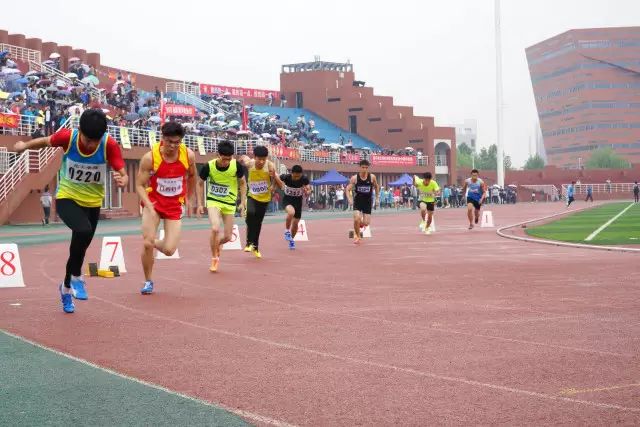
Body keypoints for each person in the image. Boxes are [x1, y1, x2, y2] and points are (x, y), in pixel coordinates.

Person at [13, 109, 127, 313]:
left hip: (92, 203)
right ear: (80, 130)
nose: (91, 144)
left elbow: (121, 169)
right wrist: (24, 146)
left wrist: (123, 179)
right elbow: (44, 141)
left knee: (79, 249)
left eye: (95, 140)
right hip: (67, 198)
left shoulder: (108, 144)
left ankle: (66, 289)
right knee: (82, 232)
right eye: (88, 139)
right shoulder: (68, 137)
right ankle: (77, 277)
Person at [136, 122, 196, 293]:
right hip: (153, 203)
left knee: (169, 250)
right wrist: (148, 204)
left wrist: (189, 199)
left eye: (177, 142)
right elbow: (139, 185)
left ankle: (151, 242)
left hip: (174, 205)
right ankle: (148, 280)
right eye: (169, 141)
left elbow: (192, 176)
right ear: (162, 138)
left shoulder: (188, 155)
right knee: (147, 244)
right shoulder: (150, 158)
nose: (173, 146)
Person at [196, 141, 246, 272]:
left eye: (229, 159)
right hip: (214, 201)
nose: (226, 162)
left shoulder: (236, 166)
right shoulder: (209, 166)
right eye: (224, 159)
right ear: (218, 155)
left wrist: (243, 202)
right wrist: (200, 204)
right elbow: (199, 183)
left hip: (229, 204)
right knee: (215, 228)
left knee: (228, 237)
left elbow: (242, 183)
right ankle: (214, 258)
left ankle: (216, 244)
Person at [240, 145, 277, 258]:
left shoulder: (270, 166)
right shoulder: (249, 164)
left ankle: (255, 246)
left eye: (263, 159)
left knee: (258, 222)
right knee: (250, 215)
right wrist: (240, 159)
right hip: (252, 196)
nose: (261, 161)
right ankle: (248, 242)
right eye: (259, 159)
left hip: (264, 198)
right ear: (254, 157)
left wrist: (273, 186)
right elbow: (242, 159)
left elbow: (275, 179)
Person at [276, 165, 310, 250]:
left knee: (295, 224)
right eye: (295, 176)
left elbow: (309, 189)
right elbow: (276, 178)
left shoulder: (304, 179)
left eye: (298, 176)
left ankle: (291, 240)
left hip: (298, 203)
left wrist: (307, 191)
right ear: (291, 173)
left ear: (301, 174)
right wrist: (273, 187)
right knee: (291, 213)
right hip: (287, 200)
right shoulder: (286, 177)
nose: (296, 178)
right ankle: (287, 231)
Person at [346, 160, 379, 244]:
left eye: (366, 168)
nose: (364, 169)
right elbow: (347, 189)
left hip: (367, 202)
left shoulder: (372, 177)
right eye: (363, 167)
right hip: (358, 201)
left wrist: (377, 198)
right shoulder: (354, 178)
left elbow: (376, 186)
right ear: (360, 167)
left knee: (366, 223)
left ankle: (359, 225)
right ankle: (357, 236)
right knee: (356, 218)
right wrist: (349, 199)